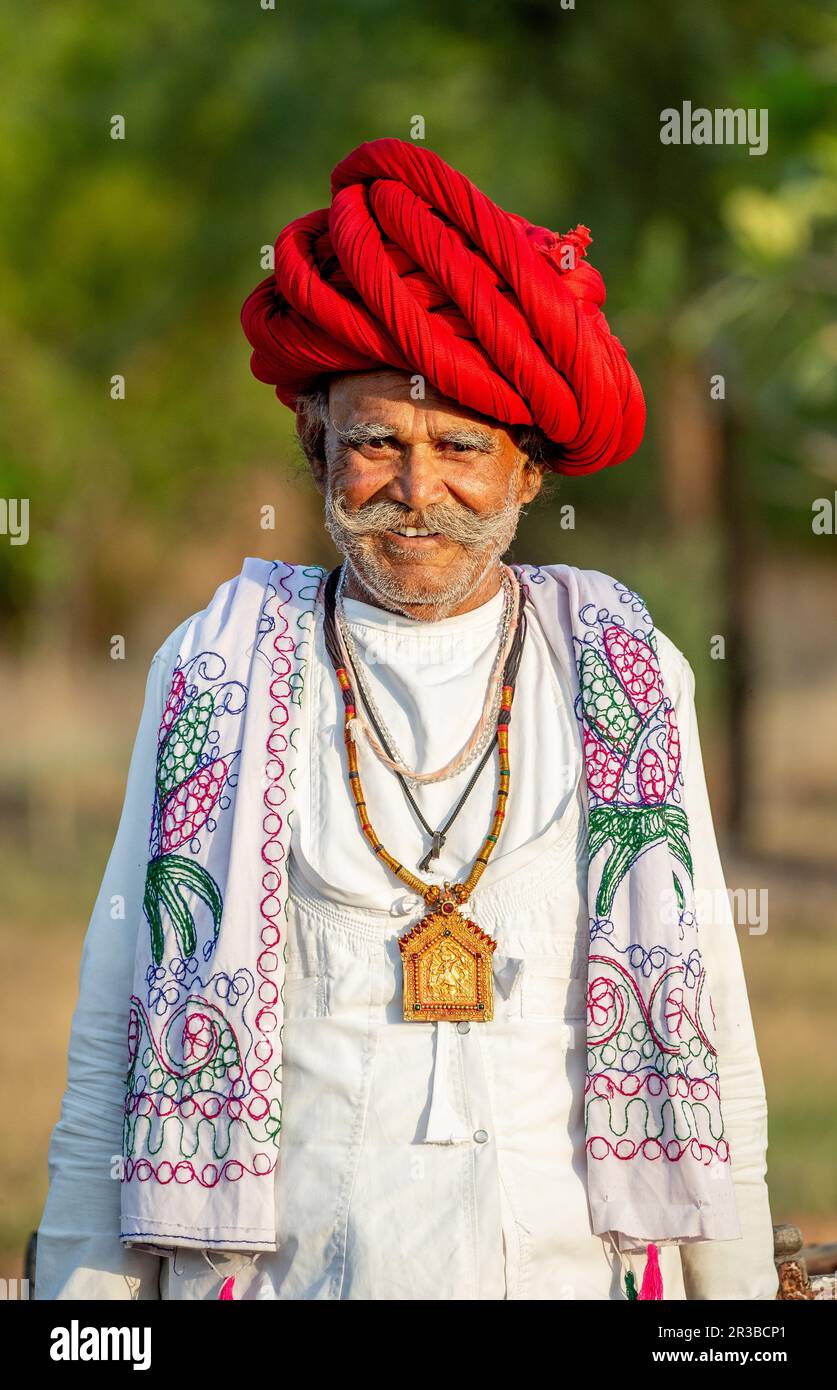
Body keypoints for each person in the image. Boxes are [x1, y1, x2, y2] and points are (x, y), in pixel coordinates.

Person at [35, 138, 778, 1301]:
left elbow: (711, 1030)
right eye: (378, 440)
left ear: (530, 472)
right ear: (320, 449)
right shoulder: (218, 667)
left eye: (463, 448)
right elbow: (114, 1029)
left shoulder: (625, 669)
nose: (416, 488)